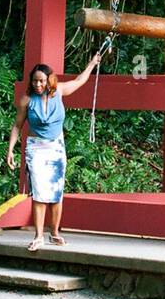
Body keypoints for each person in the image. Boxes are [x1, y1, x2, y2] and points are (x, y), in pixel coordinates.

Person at [7, 55, 101, 252]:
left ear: (49, 80)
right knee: (40, 193)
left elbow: (79, 81)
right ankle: (39, 235)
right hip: (36, 147)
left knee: (56, 193)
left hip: (56, 147)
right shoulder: (27, 99)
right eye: (35, 81)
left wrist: (91, 64)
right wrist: (10, 150)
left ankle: (55, 232)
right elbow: (17, 126)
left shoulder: (59, 91)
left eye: (41, 80)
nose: (38, 84)